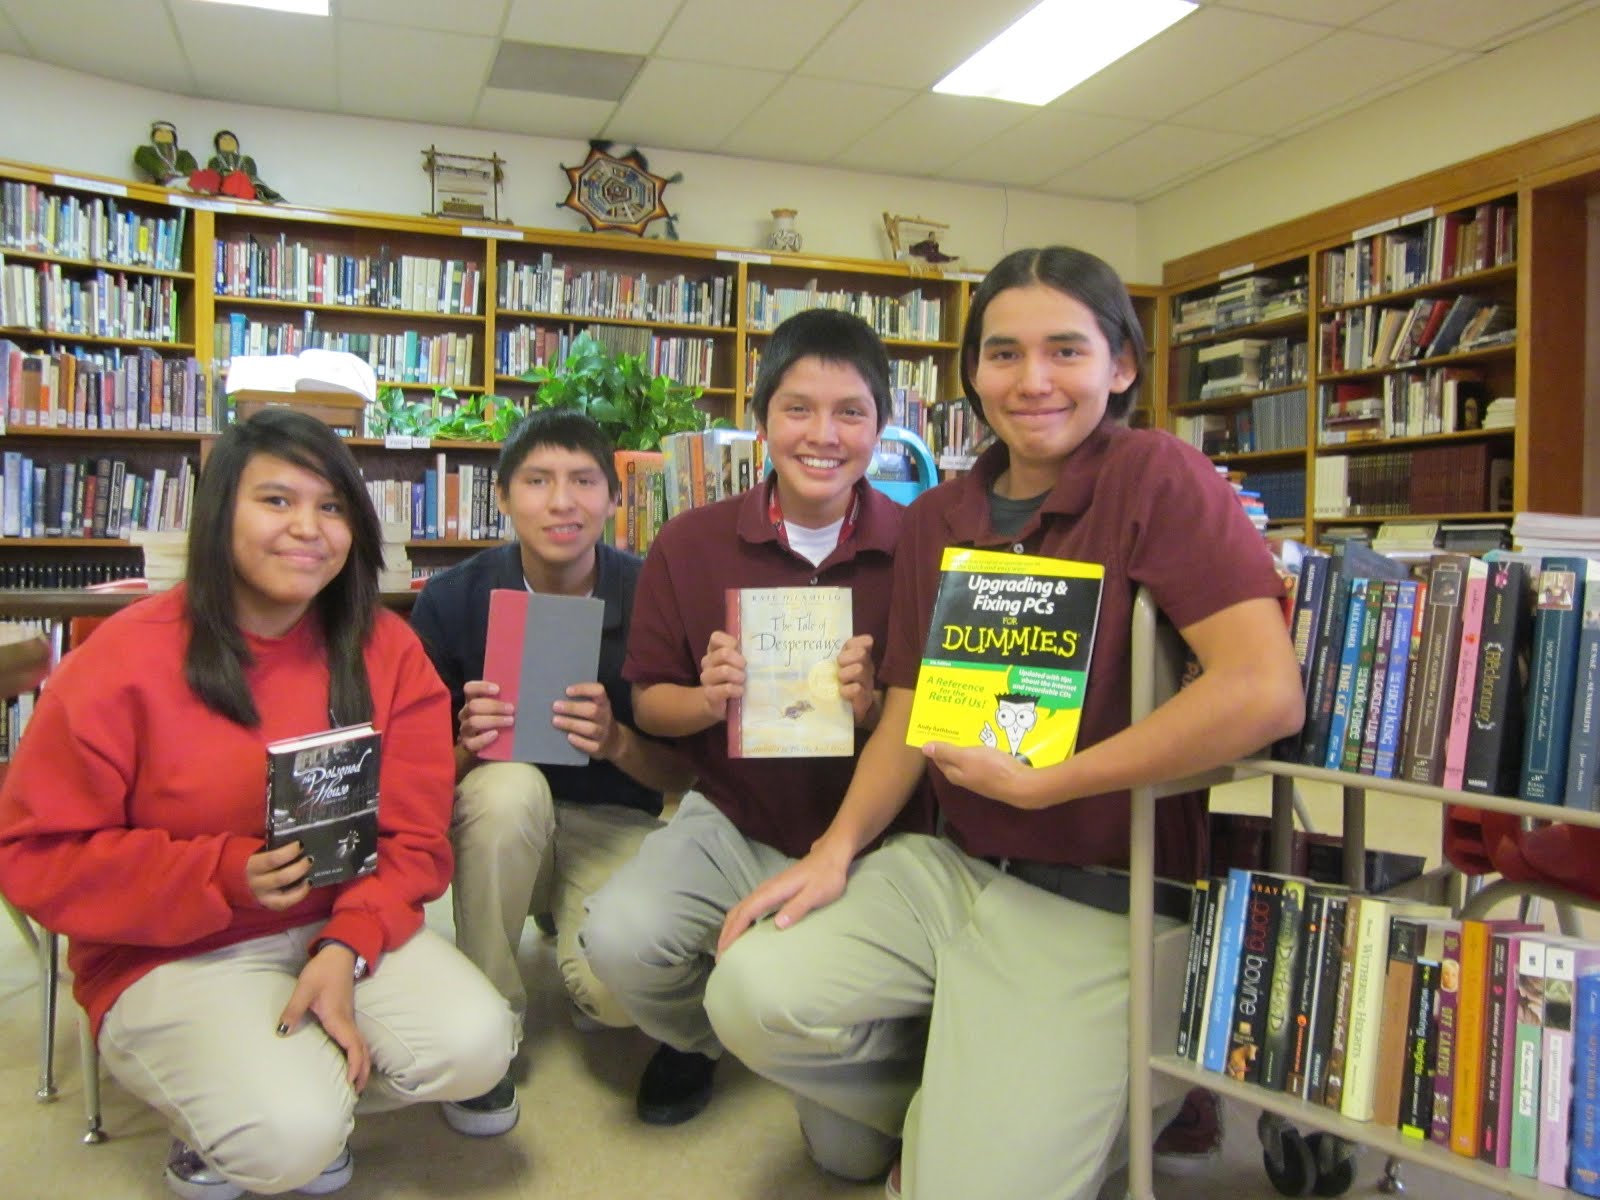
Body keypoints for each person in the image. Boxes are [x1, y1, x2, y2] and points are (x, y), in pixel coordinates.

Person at [709, 246, 1305, 1200]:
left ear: (1121, 366)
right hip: (952, 867)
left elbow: (1263, 691)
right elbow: (906, 705)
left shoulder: (1158, 474)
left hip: (1102, 891)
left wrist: (1050, 782)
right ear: (972, 375)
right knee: (749, 990)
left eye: (1066, 351)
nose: (1032, 382)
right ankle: (951, 1099)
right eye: (1003, 354)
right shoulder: (942, 512)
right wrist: (835, 849)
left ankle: (1052, 1111)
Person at [0, 409, 517, 1199]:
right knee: (288, 1142)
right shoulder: (124, 660)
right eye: (276, 501)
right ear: (218, 517)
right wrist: (224, 873)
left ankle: (280, 1087)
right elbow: (36, 855)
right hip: (170, 947)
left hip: (342, 922)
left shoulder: (385, 648)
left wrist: (349, 944)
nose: (308, 528)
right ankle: (242, 1112)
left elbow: (413, 835)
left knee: (480, 1046)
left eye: (333, 506)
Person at [580, 308, 931, 1149]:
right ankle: (702, 1039)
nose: (823, 434)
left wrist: (877, 708)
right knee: (619, 939)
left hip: (873, 837)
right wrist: (708, 698)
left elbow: (931, 723)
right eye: (798, 408)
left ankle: (846, 1051)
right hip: (734, 814)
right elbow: (646, 705)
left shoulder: (922, 543)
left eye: (850, 412)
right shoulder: (692, 541)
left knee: (848, 1157)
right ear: (762, 416)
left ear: (882, 428)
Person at [408, 408, 694, 1131]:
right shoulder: (451, 601)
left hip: (611, 819)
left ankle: (569, 935)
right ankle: (487, 1019)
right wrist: (469, 744)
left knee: (617, 999)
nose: (561, 502)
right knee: (508, 791)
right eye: (537, 481)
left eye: (583, 481)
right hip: (498, 822)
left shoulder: (651, 594)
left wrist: (617, 741)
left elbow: (682, 777)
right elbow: (412, 788)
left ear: (614, 497)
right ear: (502, 497)